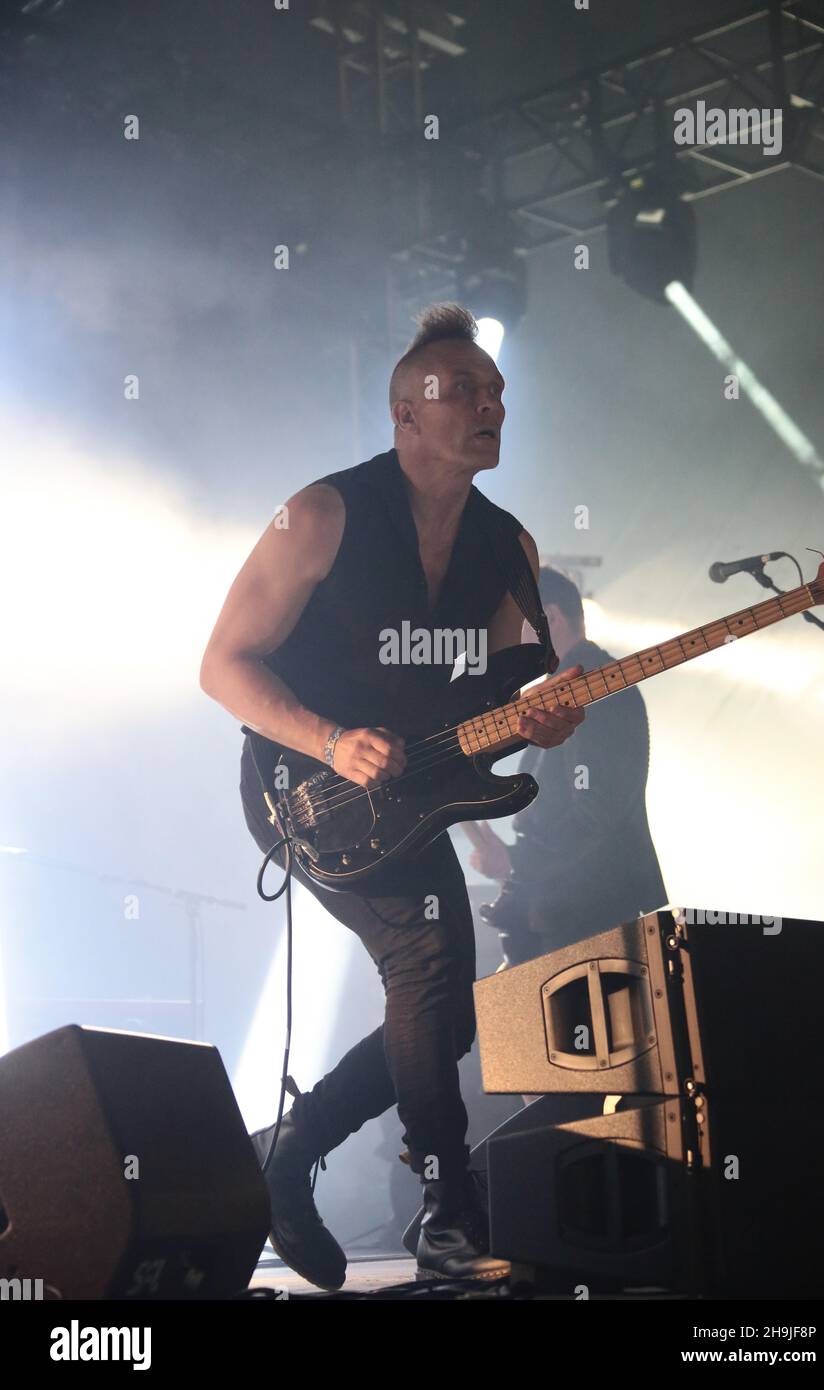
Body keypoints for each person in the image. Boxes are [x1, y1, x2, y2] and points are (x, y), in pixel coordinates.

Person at [199, 304, 585, 1288]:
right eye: (461, 390)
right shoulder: (322, 513)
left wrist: (541, 712)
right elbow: (221, 665)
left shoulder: (510, 546)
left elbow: (510, 692)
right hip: (304, 789)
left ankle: (291, 1145)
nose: (488, 403)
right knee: (424, 958)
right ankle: (446, 1204)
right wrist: (328, 737)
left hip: (418, 799)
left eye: (495, 391)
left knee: (447, 1008)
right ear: (405, 413)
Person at [468, 566, 667, 967]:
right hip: (563, 909)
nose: (505, 642)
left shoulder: (597, 686)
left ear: (552, 619)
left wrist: (515, 862)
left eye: (512, 627)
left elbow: (597, 812)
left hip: (587, 915)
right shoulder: (565, 688)